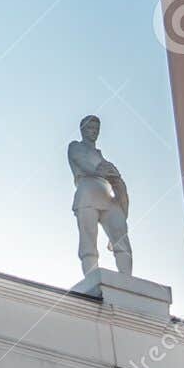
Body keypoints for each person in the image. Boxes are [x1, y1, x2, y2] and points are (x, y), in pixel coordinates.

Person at [68, 114, 133, 277]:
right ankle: (91, 278)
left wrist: (115, 177)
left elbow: (119, 188)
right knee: (88, 239)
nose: (94, 131)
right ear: (82, 130)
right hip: (87, 194)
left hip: (108, 197)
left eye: (97, 129)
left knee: (121, 237)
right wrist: (102, 171)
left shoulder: (103, 159)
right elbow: (82, 163)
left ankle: (126, 279)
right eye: (90, 128)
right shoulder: (76, 146)